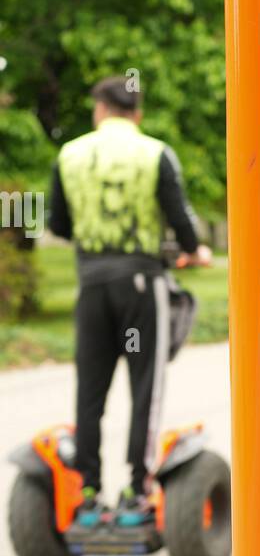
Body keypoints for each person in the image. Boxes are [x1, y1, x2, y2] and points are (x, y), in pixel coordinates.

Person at [48, 76, 211, 527]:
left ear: (100, 110)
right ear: (136, 114)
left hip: (92, 291)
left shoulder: (70, 154)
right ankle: (137, 492)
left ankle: (87, 490)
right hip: (139, 290)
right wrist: (191, 250)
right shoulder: (155, 152)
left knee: (90, 390)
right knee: (144, 388)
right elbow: (182, 222)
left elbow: (59, 224)